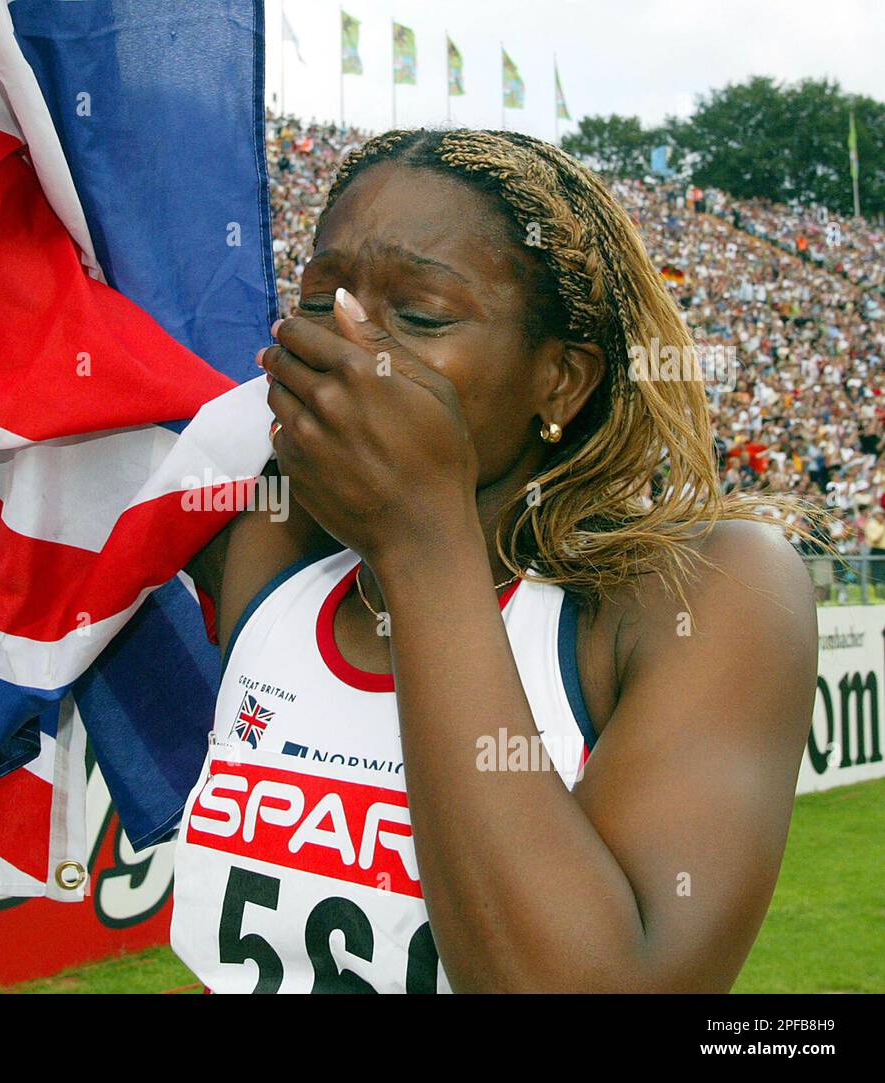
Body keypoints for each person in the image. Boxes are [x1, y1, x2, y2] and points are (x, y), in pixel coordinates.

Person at [176, 129, 821, 994]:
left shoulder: (709, 586)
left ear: (560, 378)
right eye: (322, 298)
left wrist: (421, 540)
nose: (349, 343)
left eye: (421, 314)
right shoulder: (275, 545)